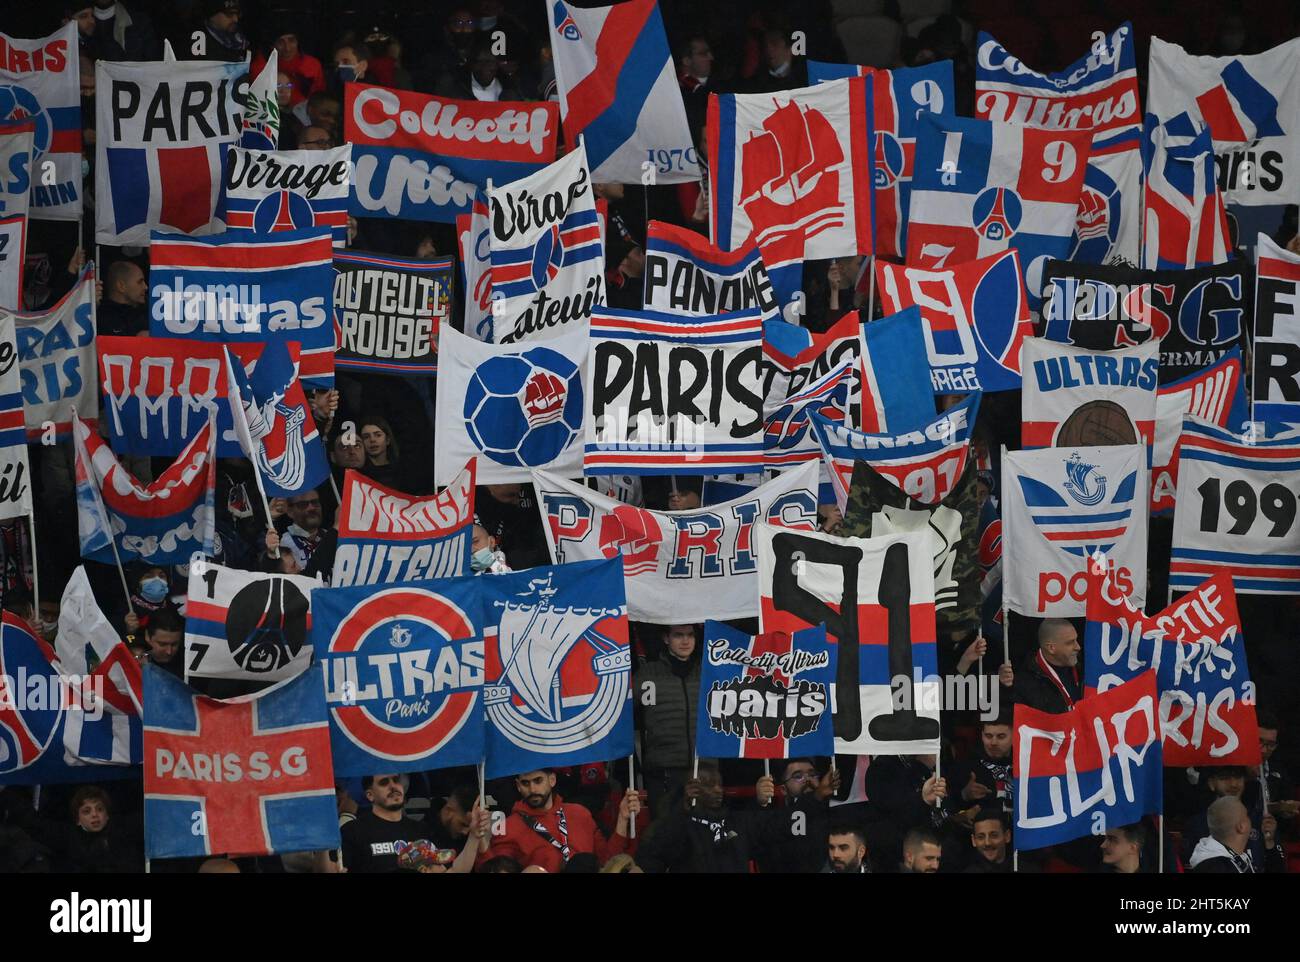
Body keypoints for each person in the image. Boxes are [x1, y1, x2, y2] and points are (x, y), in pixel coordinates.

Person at [480, 769, 640, 873]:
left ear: (552, 780)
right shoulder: (508, 826)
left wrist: (623, 819)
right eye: (525, 783)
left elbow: (608, 861)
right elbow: (495, 869)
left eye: (538, 781)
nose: (533, 790)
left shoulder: (579, 813)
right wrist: (478, 839)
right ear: (518, 786)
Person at [634, 765, 774, 873]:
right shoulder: (674, 821)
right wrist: (683, 810)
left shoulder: (734, 819)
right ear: (691, 788)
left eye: (720, 784)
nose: (718, 789)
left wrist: (760, 804)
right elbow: (654, 858)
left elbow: (763, 841)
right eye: (709, 784)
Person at [340, 774, 487, 873]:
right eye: (384, 782)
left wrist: (474, 836)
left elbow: (452, 871)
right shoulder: (354, 830)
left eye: (396, 780)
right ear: (370, 795)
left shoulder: (421, 830)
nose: (393, 786)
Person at [632, 624, 701, 819]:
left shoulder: (708, 672)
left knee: (704, 837)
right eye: (679, 635)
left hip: (704, 770)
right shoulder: (648, 675)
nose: (686, 641)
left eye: (690, 635)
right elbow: (622, 712)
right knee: (666, 837)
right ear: (666, 638)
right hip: (663, 773)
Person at [754, 757, 842, 873]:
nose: (807, 780)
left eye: (812, 774)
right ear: (784, 789)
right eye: (798, 776)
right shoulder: (777, 819)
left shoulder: (832, 810)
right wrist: (762, 804)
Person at [1003, 619, 1081, 713]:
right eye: (1070, 643)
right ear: (1051, 648)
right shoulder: (1024, 684)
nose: (1078, 647)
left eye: (1076, 640)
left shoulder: (1086, 668)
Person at [1190, 797, 1285, 873]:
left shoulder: (1230, 856)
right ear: (1241, 827)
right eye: (1247, 816)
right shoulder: (1214, 867)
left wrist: (1269, 841)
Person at [947, 715, 1013, 817]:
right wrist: (964, 795)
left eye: (1001, 736)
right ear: (982, 735)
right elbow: (947, 811)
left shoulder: (1028, 764)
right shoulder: (965, 768)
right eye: (988, 736)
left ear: (1014, 736)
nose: (993, 742)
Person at [97, 261, 148, 336]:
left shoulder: (149, 313)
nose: (146, 287)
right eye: (140, 282)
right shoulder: (99, 318)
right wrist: (136, 340)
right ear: (121, 286)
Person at [139, 605, 185, 679]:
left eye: (174, 644)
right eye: (162, 644)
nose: (169, 652)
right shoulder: (133, 660)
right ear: (147, 636)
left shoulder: (188, 664)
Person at [964, 809, 1011, 874]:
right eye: (980, 837)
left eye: (994, 835)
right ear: (973, 840)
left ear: (1007, 836)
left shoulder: (1025, 869)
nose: (987, 843)